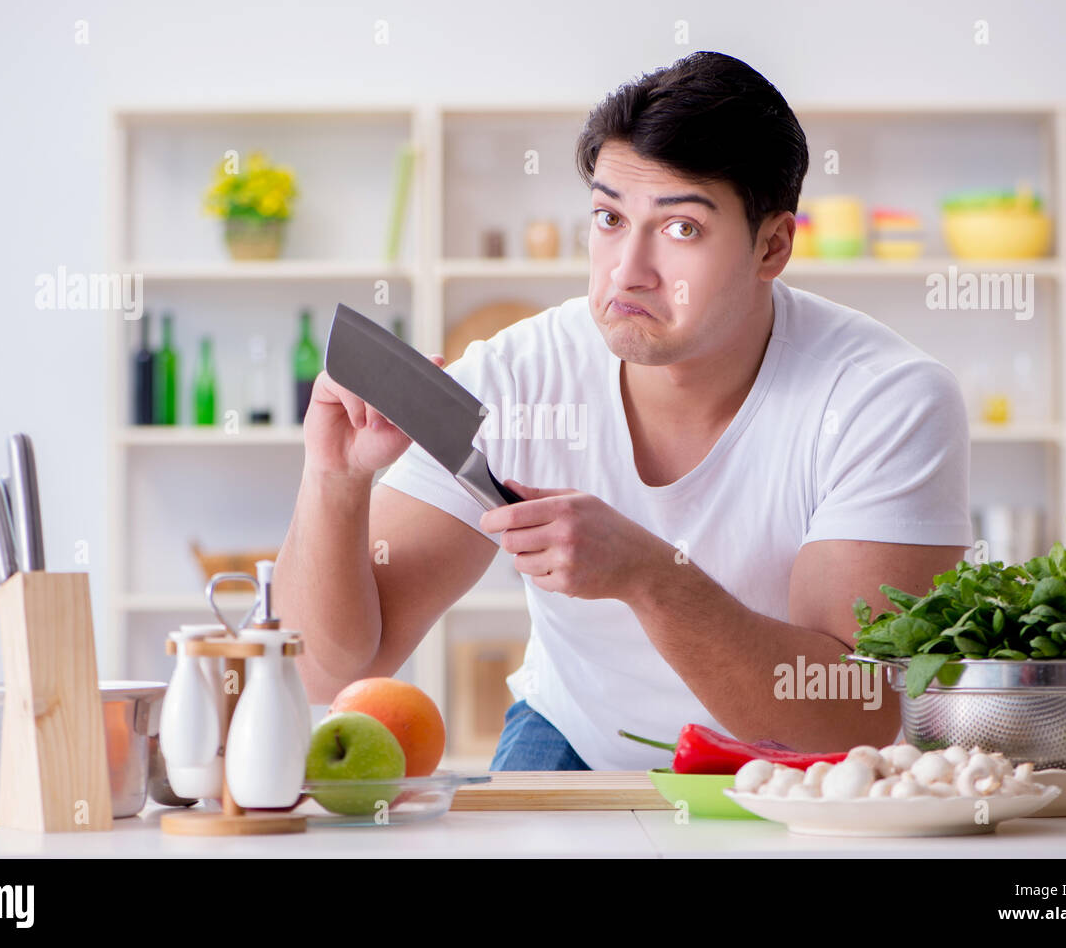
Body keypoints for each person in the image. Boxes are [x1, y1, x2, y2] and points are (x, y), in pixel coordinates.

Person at [273, 51, 972, 772]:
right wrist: (332, 481)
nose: (626, 270)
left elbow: (853, 710)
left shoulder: (883, 401)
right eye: (609, 217)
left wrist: (651, 576)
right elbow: (328, 671)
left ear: (773, 246)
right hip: (577, 733)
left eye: (681, 229)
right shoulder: (517, 375)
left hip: (799, 765)